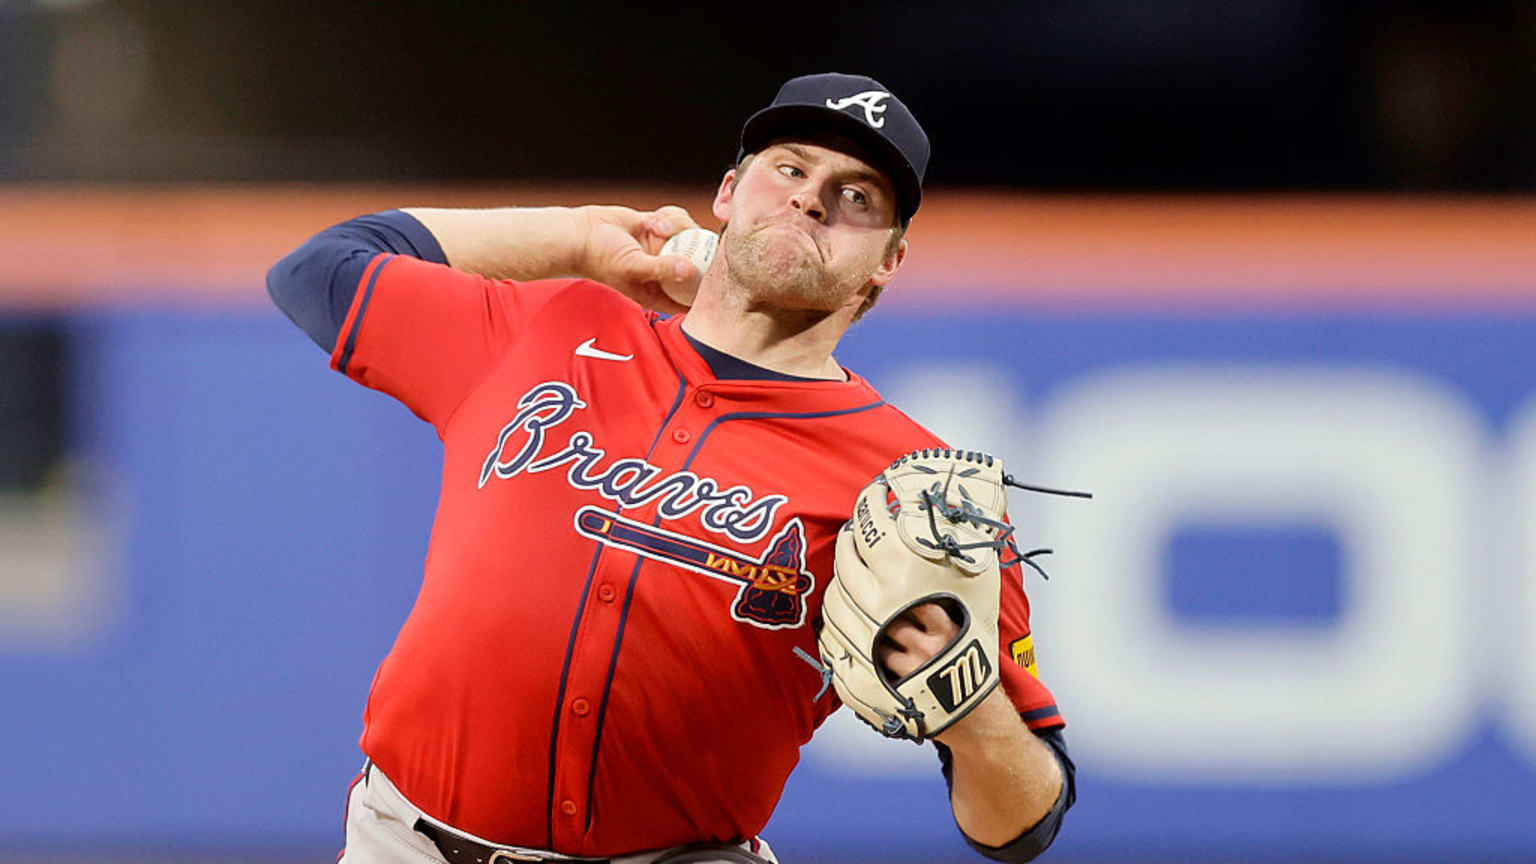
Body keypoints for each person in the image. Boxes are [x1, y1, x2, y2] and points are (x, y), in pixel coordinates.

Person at [267, 72, 1075, 864]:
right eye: (790, 167)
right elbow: (318, 270)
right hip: (406, 843)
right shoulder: (551, 325)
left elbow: (1027, 822)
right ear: (729, 192)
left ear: (887, 264)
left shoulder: (913, 487)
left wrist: (976, 719)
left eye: (858, 196)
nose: (812, 196)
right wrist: (579, 240)